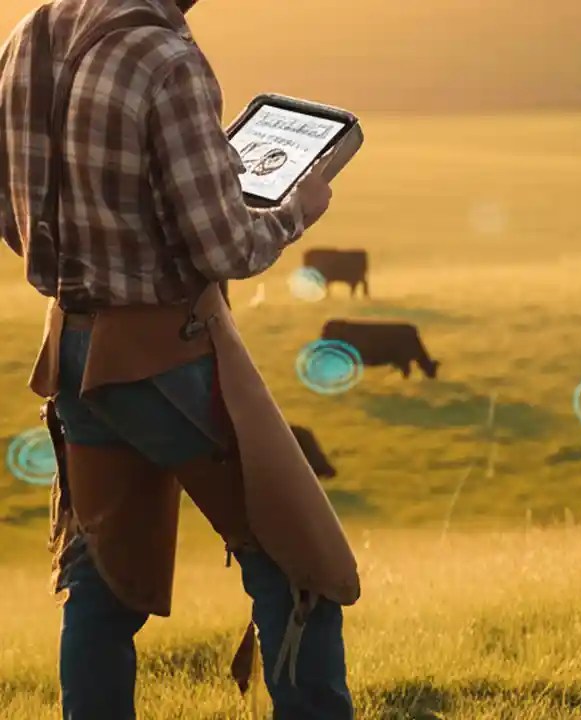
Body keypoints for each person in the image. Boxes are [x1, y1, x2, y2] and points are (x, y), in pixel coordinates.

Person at [0, 0, 362, 718]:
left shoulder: (31, 32)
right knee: (301, 564)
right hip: (164, 352)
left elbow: (10, 213)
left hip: (70, 344)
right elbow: (226, 249)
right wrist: (298, 208)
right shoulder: (169, 62)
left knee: (104, 577)